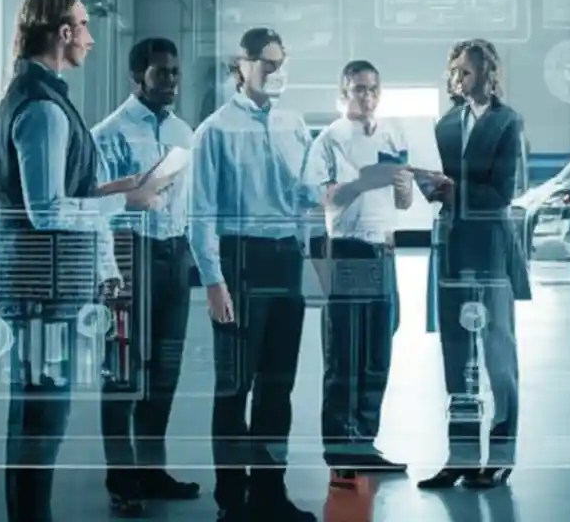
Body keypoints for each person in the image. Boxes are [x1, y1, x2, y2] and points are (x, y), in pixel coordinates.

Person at [0, 0, 161, 522]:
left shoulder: (44, 95)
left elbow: (64, 197)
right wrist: (125, 201)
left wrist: (114, 191)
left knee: (39, 410)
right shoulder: (41, 107)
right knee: (42, 415)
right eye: (83, 25)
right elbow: (46, 211)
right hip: (39, 282)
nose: (89, 35)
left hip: (48, 280)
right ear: (63, 34)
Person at [189, 27, 317, 522]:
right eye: (265, 62)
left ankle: (268, 495)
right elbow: (199, 215)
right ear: (240, 66)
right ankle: (232, 502)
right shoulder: (214, 132)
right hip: (240, 265)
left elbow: (307, 197)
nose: (274, 71)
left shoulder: (294, 123)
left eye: (280, 62)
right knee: (233, 388)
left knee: (277, 388)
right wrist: (214, 282)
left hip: (286, 262)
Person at [91, 37, 201, 516]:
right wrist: (110, 277)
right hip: (129, 254)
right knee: (124, 374)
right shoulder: (109, 133)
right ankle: (122, 478)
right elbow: (97, 209)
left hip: (174, 256)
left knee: (165, 372)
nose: (172, 81)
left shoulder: (183, 130)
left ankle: (153, 472)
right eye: (162, 72)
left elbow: (189, 200)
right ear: (138, 76)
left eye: (175, 72)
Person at [417, 38, 531, 490]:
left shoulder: (509, 123)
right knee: (457, 356)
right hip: (452, 250)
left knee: (498, 356)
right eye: (454, 71)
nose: (458, 78)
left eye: (466, 71)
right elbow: (438, 184)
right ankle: (461, 455)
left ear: (488, 74)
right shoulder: (443, 125)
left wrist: (452, 190)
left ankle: (500, 456)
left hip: (491, 250)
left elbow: (505, 191)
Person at [302, 60, 413, 472]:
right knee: (344, 354)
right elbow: (322, 197)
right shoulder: (329, 140)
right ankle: (339, 447)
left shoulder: (392, 134)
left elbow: (403, 203)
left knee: (377, 353)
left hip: (384, 252)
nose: (367, 97)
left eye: (372, 89)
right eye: (359, 90)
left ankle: (365, 442)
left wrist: (401, 187)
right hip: (347, 251)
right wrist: (363, 182)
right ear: (344, 92)